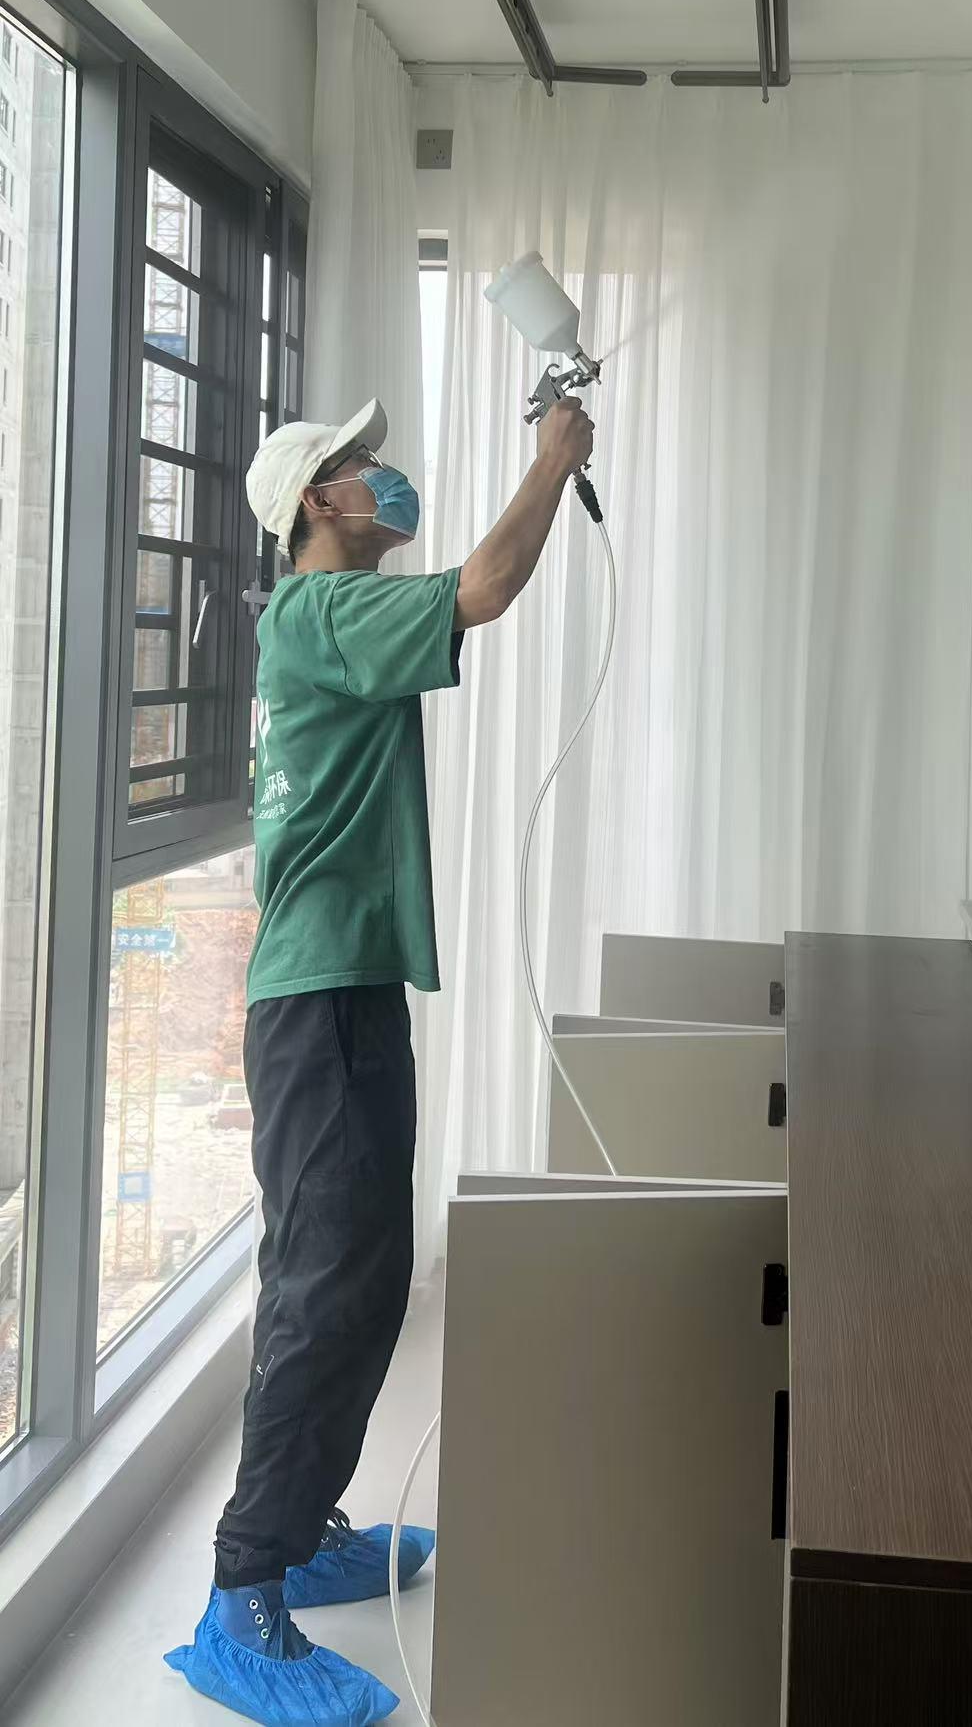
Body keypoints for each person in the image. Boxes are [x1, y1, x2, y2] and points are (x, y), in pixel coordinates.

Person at [166, 392, 594, 1727]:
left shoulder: (325, 620)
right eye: (361, 468)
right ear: (318, 503)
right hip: (315, 1007)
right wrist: (554, 461)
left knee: (359, 1275)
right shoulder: (318, 610)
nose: (382, 480)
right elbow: (485, 586)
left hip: (341, 994)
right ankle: (244, 1590)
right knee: (325, 1285)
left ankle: (304, 1537)